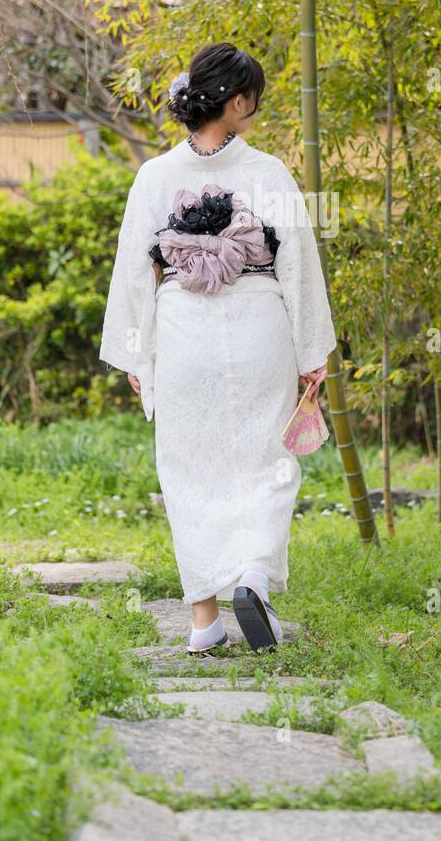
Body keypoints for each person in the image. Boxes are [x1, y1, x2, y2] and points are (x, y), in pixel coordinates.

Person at [100, 42, 336, 653]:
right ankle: (254, 576)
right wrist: (313, 350)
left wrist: (137, 352)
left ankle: (204, 623)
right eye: (252, 96)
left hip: (183, 334)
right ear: (235, 102)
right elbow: (299, 267)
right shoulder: (268, 172)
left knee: (188, 467)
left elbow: (134, 272)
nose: (254, 106)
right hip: (261, 328)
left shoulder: (155, 176)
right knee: (267, 461)